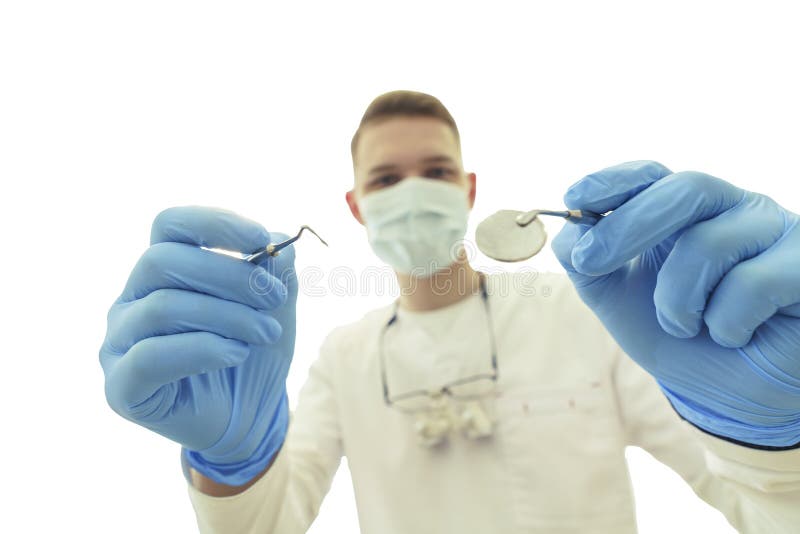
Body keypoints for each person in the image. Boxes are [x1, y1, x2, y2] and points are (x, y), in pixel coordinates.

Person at [99, 90, 800, 533]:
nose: (412, 193)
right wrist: (233, 463)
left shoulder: (580, 319)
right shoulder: (345, 359)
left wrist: (772, 437)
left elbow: (755, 505)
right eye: (385, 179)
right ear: (357, 207)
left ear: (467, 191)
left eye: (434, 173)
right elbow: (269, 526)